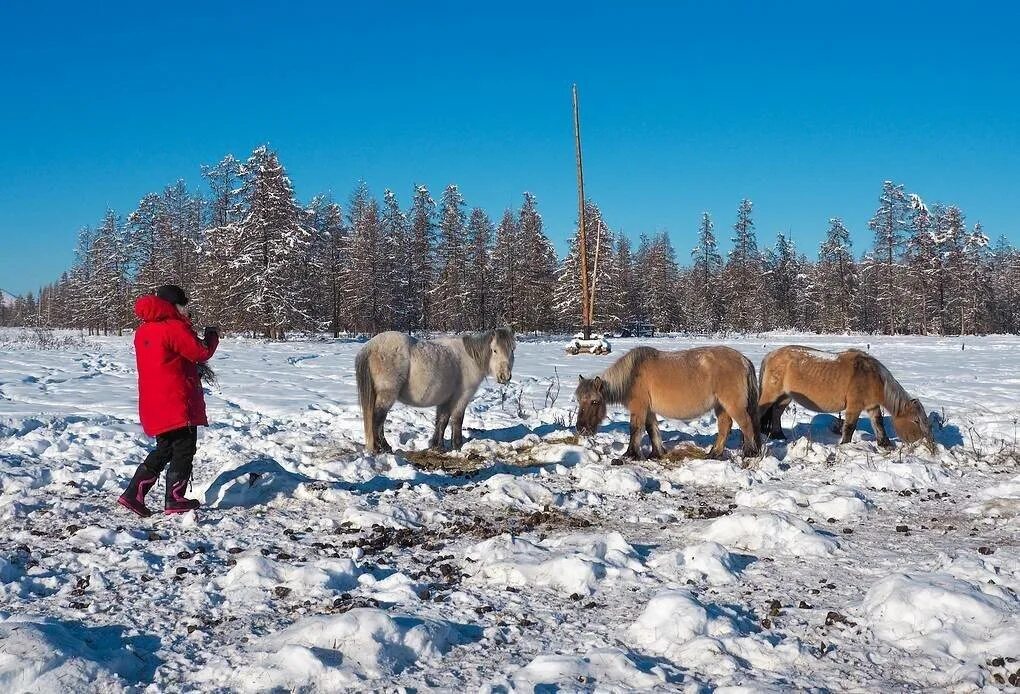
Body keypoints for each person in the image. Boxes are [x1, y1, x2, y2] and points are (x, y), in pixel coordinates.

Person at [118, 285, 219, 517]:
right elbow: (200, 353)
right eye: (184, 305)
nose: (187, 310)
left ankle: (134, 494)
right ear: (174, 305)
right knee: (184, 449)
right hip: (177, 401)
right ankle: (175, 499)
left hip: (155, 401)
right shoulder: (173, 328)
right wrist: (212, 337)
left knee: (164, 449)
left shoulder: (144, 330)